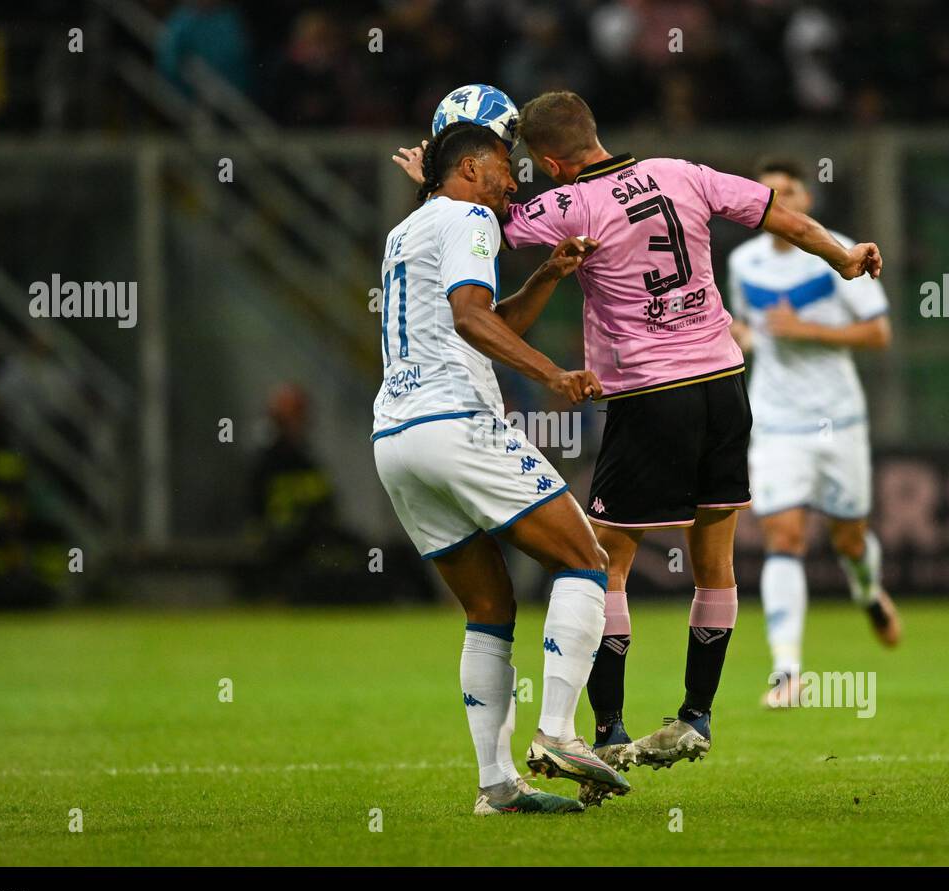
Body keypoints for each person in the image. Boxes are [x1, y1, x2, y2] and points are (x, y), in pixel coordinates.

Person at [392, 91, 882, 777]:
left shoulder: (565, 205)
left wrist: (429, 180)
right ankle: (696, 716)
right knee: (715, 559)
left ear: (554, 161)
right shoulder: (686, 172)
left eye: (533, 163)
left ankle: (610, 728)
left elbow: (480, 214)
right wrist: (843, 255)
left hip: (649, 395)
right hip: (724, 385)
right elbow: (782, 218)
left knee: (604, 562)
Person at [372, 121, 629, 815]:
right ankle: (558, 733)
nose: (514, 182)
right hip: (454, 422)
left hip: (394, 436)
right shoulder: (469, 218)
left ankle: (496, 786)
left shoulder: (408, 230)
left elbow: (486, 320)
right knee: (586, 559)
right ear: (471, 167)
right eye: (503, 166)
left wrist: (547, 272)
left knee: (488, 608)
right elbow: (468, 317)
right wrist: (555, 375)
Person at [726, 158, 901, 709]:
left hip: (838, 419)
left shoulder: (839, 251)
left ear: (806, 200)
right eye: (766, 193)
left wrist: (809, 330)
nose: (777, 200)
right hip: (776, 421)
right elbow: (742, 322)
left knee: (848, 539)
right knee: (783, 538)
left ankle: (867, 589)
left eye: (788, 191)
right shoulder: (743, 260)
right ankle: (787, 673)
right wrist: (744, 337)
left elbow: (879, 333)